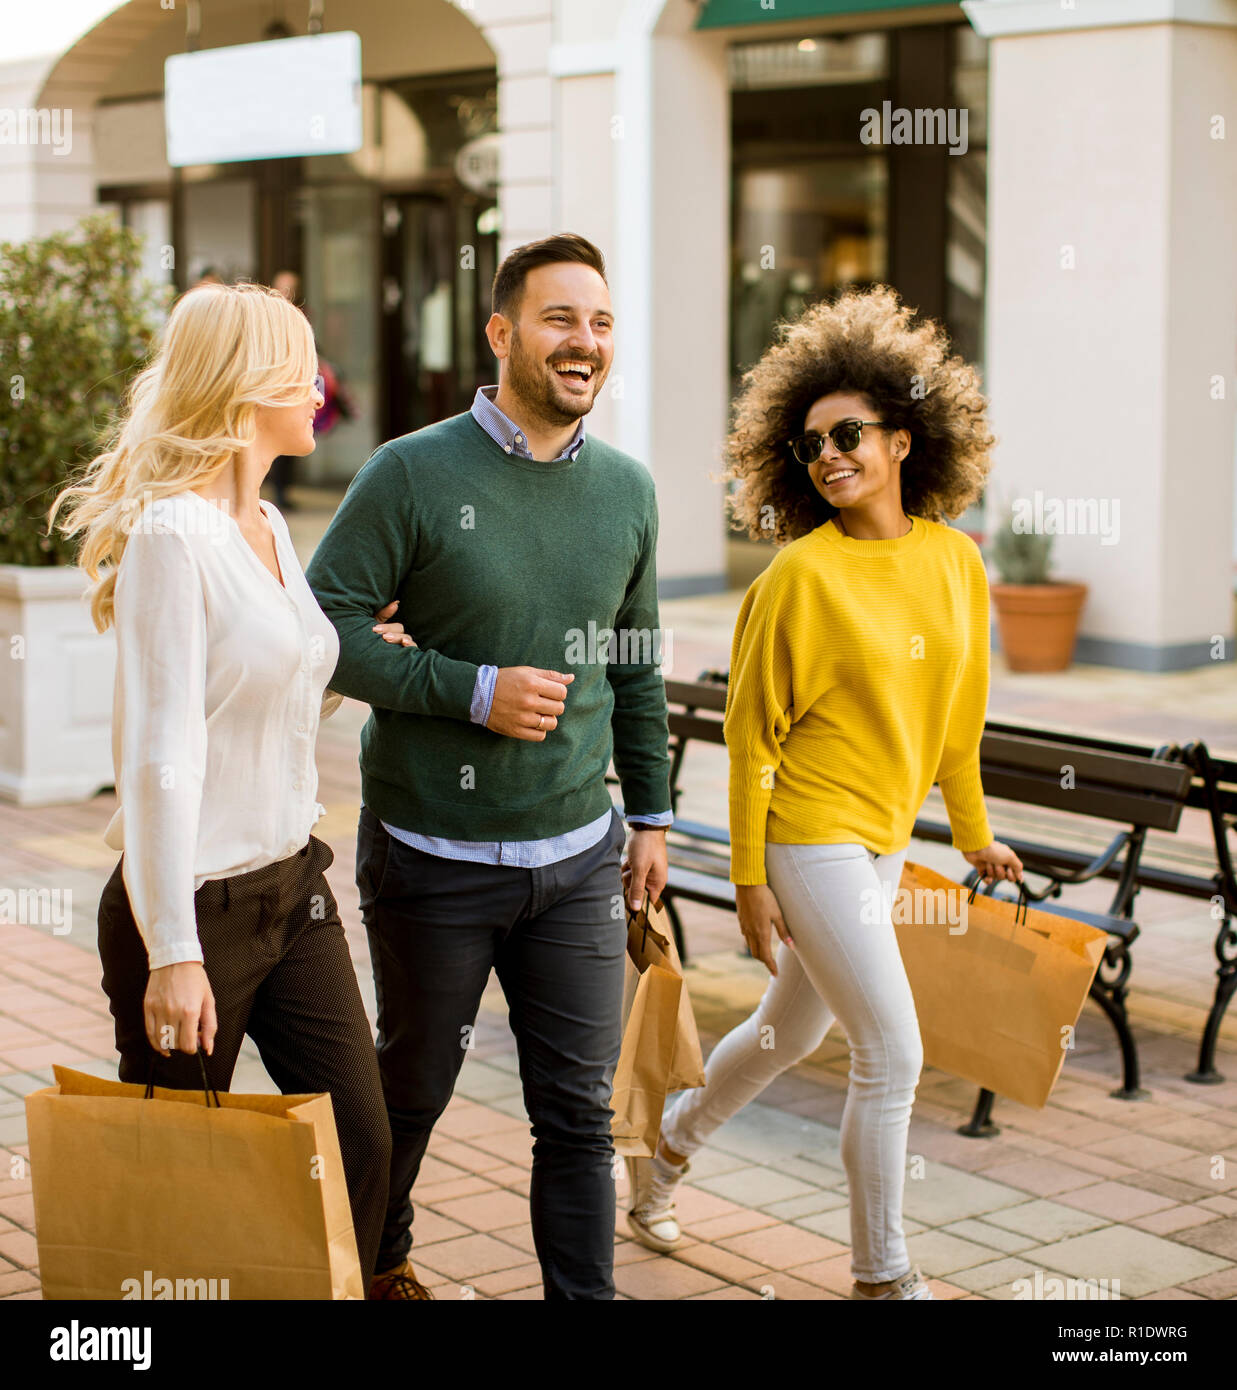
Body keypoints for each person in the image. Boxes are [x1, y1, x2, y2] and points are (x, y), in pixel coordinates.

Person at [625, 285, 1024, 1301]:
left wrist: (974, 835)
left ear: (903, 437)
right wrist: (754, 880)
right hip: (808, 835)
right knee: (891, 1051)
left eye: (849, 432)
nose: (830, 453)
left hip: (879, 840)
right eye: (809, 445)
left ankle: (665, 1145)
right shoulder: (795, 579)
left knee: (786, 1030)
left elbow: (955, 723)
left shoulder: (956, 565)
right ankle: (880, 1274)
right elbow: (751, 740)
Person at [306, 233, 673, 1301]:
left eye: (601, 323)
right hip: (434, 854)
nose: (585, 342)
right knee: (409, 1089)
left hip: (577, 859)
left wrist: (648, 814)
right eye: (561, 319)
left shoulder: (627, 490)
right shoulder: (409, 472)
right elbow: (324, 621)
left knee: (576, 1111)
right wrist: (469, 689)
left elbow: (635, 664)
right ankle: (378, 1260)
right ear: (502, 333)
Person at [49, 282, 407, 1288]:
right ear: (247, 385)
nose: (321, 385)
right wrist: (174, 954)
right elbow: (166, 749)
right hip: (193, 909)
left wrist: (348, 657)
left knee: (360, 1138)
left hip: (293, 888)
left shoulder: (267, 526)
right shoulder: (175, 534)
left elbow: (266, 694)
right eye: (302, 363)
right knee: (175, 1189)